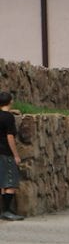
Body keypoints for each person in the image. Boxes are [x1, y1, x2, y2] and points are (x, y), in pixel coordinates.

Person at [0, 91, 21, 220]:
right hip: (5, 152)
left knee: (2, 182)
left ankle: (6, 210)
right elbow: (10, 136)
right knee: (10, 182)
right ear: (10, 101)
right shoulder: (8, 118)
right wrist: (16, 155)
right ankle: (6, 211)